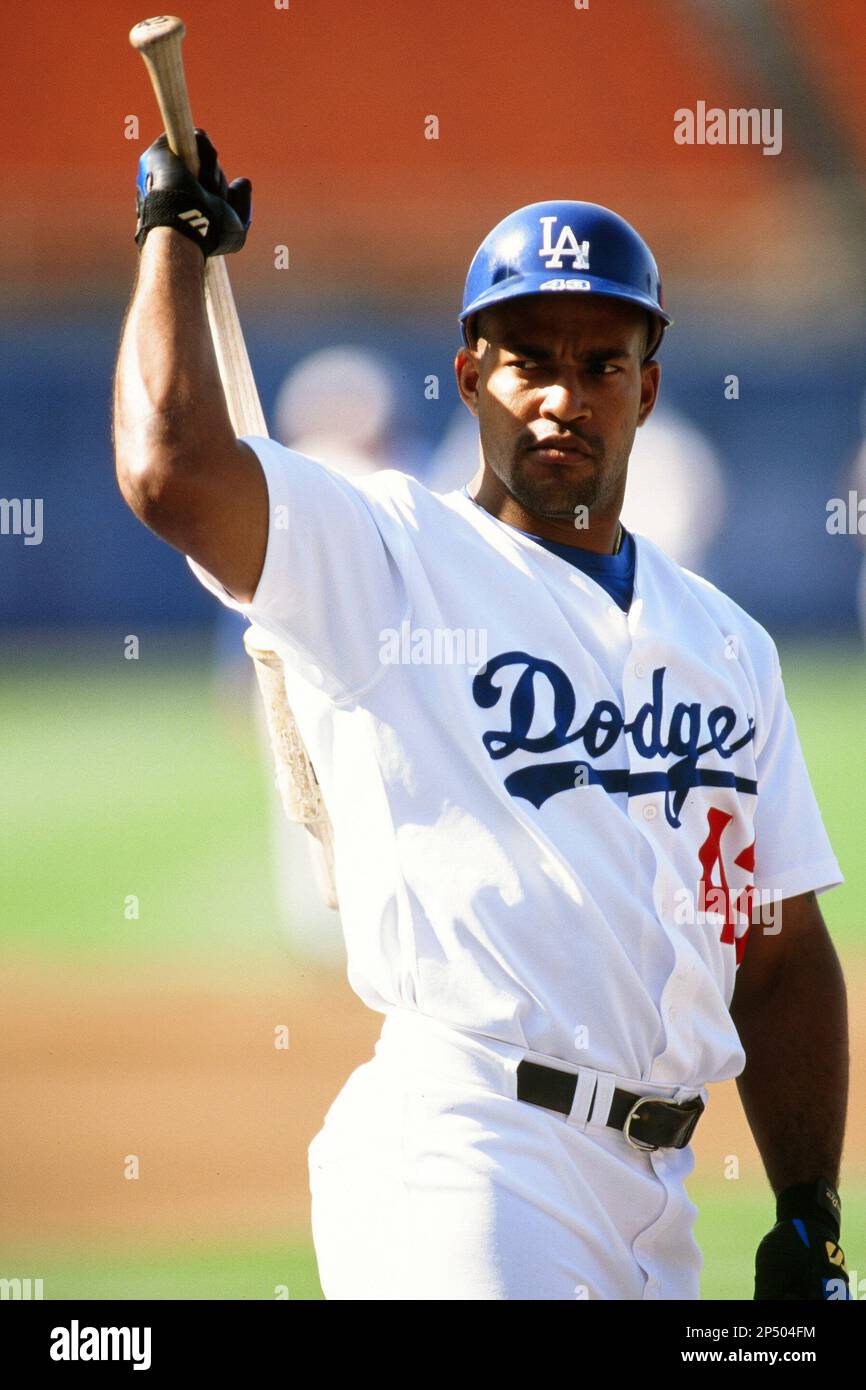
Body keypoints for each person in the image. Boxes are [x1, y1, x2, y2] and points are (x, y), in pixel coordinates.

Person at [114, 131, 850, 1301]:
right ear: (468, 377)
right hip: (466, 1157)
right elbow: (171, 469)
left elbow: (776, 957)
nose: (564, 394)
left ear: (647, 387)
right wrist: (170, 240)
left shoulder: (726, 647)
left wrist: (809, 1210)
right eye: (527, 358)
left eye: (600, 363)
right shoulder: (388, 552)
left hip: (658, 1196)